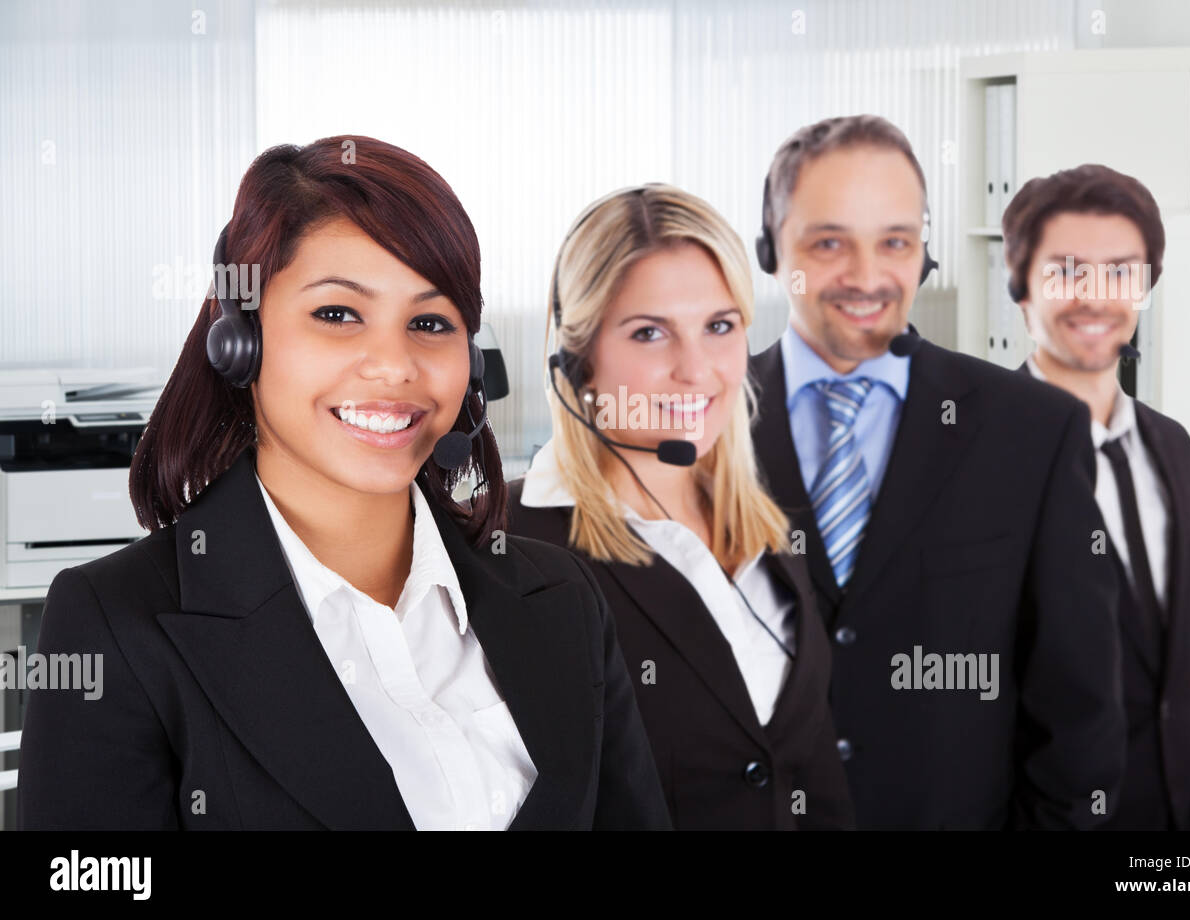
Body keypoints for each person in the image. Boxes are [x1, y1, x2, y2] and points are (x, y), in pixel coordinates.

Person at [17, 136, 670, 831]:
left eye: (430, 322)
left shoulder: (563, 600)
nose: (394, 365)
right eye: (337, 314)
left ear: (472, 365)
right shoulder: (118, 623)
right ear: (241, 339)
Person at [748, 114, 1125, 829]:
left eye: (894, 242)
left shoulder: (1033, 431)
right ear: (773, 249)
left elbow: (1082, 723)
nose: (866, 277)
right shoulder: (704, 425)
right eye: (829, 243)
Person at [507, 184, 855, 830]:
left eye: (719, 327)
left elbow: (805, 768)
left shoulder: (767, 526)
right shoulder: (514, 547)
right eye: (649, 333)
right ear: (577, 361)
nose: (697, 370)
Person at [1003, 162, 1190, 830]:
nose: (1096, 295)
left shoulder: (1170, 446)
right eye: (1067, 269)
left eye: (1120, 270)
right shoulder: (971, 453)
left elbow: (1178, 658)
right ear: (1020, 286)